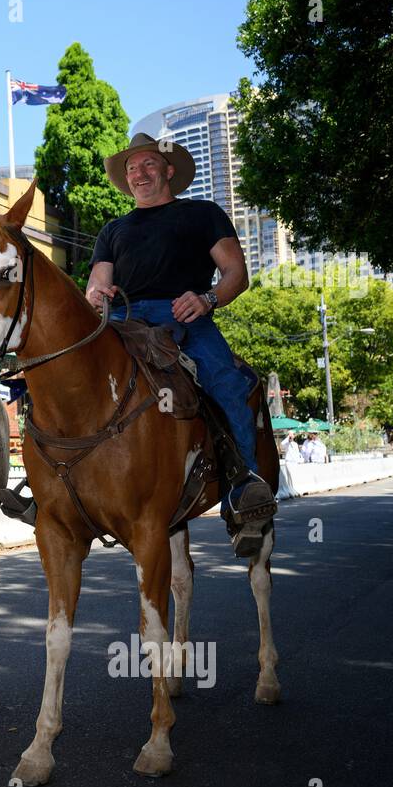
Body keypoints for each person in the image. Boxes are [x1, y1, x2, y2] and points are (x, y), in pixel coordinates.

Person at [86, 132, 277, 554]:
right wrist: (98, 296)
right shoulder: (113, 230)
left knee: (228, 382)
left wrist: (207, 299)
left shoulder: (202, 214)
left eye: (148, 164)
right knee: (70, 376)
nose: (139, 173)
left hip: (185, 316)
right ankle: (56, 486)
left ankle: (244, 491)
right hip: (123, 321)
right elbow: (97, 284)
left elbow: (235, 274)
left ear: (169, 171)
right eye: (132, 168)